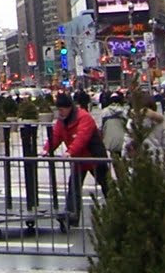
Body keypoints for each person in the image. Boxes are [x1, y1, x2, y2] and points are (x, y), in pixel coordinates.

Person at [47, 91, 108, 227]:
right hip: (79, 159)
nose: (60, 113)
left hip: (94, 156)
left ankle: (119, 209)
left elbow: (82, 137)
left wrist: (70, 152)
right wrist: (47, 149)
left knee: (106, 185)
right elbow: (56, 136)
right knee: (74, 187)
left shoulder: (83, 117)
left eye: (61, 110)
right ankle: (71, 215)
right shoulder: (62, 121)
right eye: (58, 110)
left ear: (69, 108)